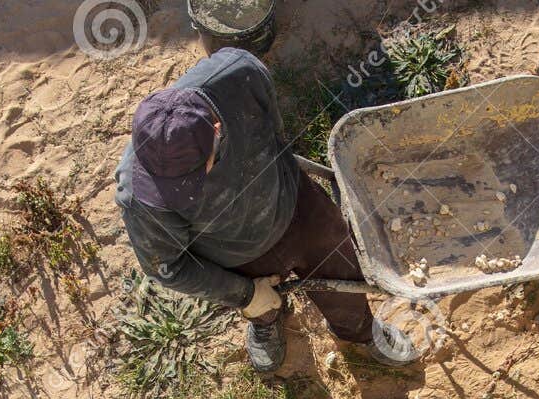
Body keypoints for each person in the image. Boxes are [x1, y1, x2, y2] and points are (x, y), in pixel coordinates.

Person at [116, 46, 418, 374]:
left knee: (342, 277)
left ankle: (357, 331)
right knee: (262, 304)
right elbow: (167, 267)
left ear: (216, 131)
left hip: (297, 205)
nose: (177, 190)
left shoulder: (238, 73)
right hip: (235, 255)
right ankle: (267, 321)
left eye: (191, 177)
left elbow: (275, 132)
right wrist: (245, 295)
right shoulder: (140, 195)